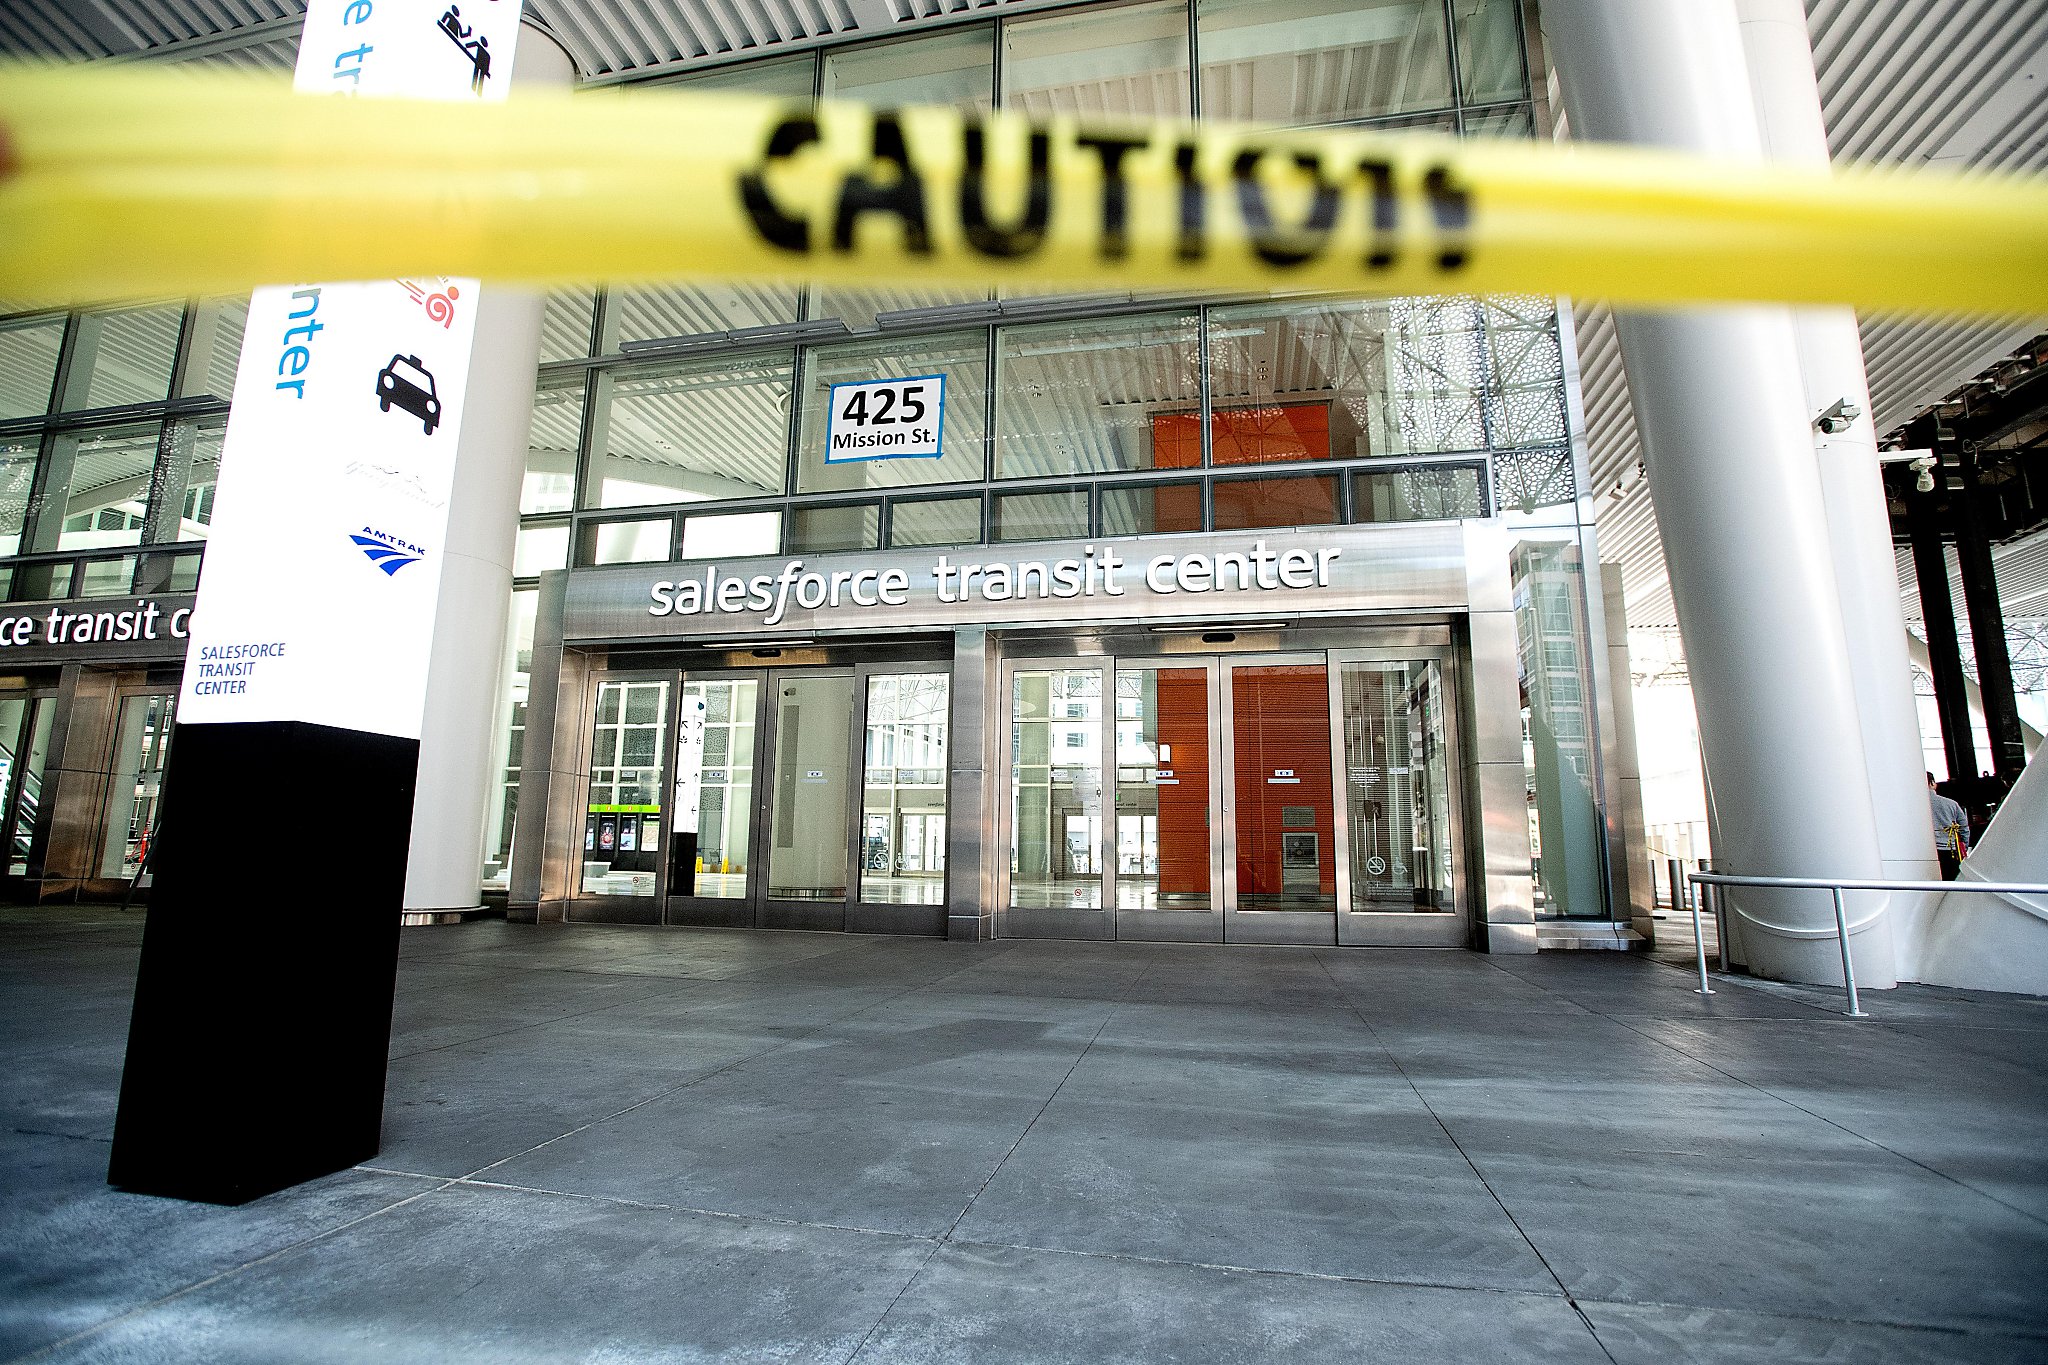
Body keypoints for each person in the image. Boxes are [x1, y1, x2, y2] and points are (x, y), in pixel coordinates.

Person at [1929, 772, 1969, 880]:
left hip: (1927, 853)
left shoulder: (1913, 805)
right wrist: (1964, 845)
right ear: (1933, 783)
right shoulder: (1951, 804)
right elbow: (1964, 827)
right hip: (1949, 849)